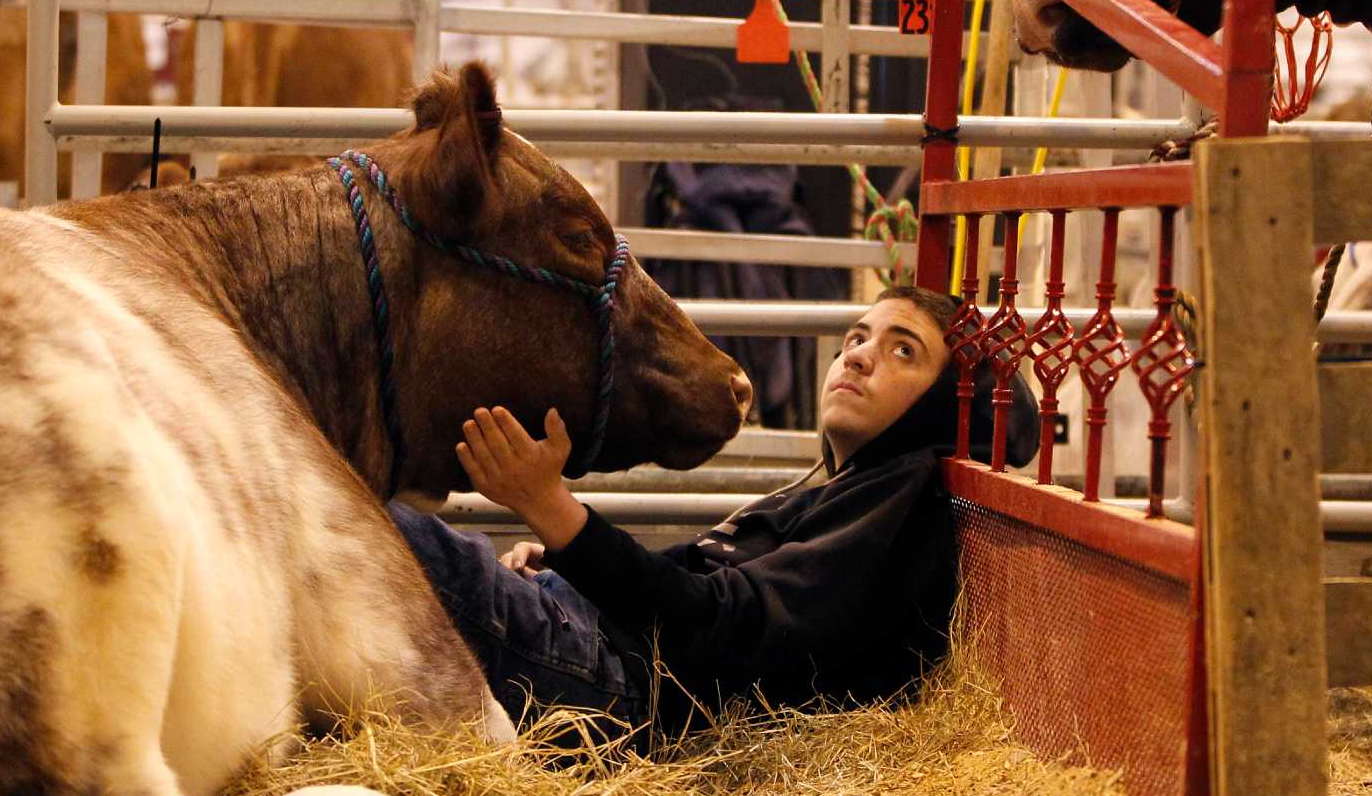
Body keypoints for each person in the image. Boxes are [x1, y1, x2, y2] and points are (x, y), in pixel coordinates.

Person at [389, 284, 1033, 739]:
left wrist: (549, 506)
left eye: (903, 351)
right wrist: (562, 560)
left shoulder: (897, 505)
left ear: (948, 403)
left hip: (606, 679)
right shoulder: (849, 490)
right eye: (856, 336)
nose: (858, 355)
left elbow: (720, 630)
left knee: (376, 527)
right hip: (588, 636)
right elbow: (703, 587)